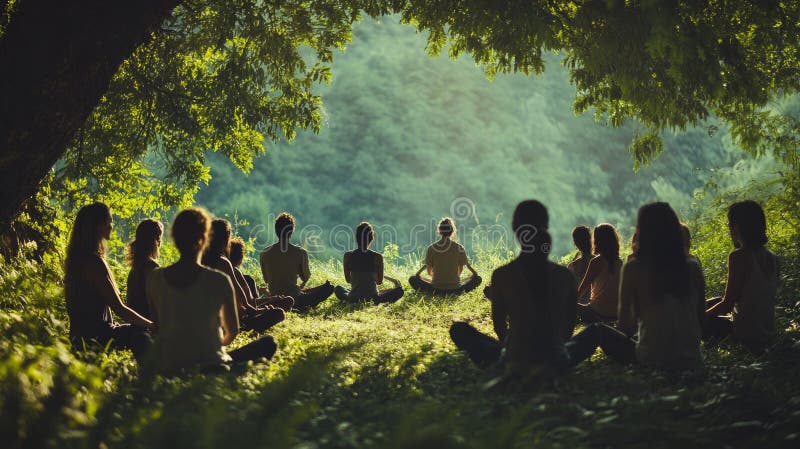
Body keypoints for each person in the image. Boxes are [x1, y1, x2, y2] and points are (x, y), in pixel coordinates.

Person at [449, 200, 598, 377]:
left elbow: (500, 328)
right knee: (596, 331)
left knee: (459, 330)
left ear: (515, 229)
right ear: (546, 228)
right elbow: (567, 330)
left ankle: (514, 362)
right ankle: (545, 365)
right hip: (556, 359)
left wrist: (514, 346)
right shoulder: (565, 276)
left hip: (516, 357)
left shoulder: (502, 275)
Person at [146, 207, 277, 375]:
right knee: (268, 343)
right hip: (209, 365)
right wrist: (213, 347)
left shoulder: (155, 278)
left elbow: (156, 328)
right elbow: (232, 331)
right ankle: (226, 369)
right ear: (204, 239)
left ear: (174, 237)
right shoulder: (219, 280)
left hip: (170, 366)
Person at [591, 202, 706, 372]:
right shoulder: (692, 267)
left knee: (597, 331)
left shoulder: (633, 268)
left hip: (650, 358)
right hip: (692, 360)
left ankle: (556, 360)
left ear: (642, 231)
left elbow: (624, 328)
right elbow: (701, 319)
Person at [64, 202, 152, 360]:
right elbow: (120, 309)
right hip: (97, 339)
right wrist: (153, 325)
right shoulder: (94, 263)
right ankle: (148, 380)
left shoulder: (77, 261)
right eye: (110, 221)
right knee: (144, 335)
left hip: (79, 338)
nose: (112, 225)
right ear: (99, 225)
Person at [704, 200, 778, 348]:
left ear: (736, 227)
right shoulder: (772, 257)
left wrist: (698, 318)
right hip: (767, 332)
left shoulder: (739, 256)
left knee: (702, 317)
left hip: (746, 335)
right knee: (714, 301)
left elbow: (727, 304)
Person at [202, 218, 287, 332]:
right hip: (229, 320)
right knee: (279, 313)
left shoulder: (200, 260)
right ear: (226, 238)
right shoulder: (223, 262)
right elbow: (239, 294)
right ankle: (245, 325)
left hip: (207, 319)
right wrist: (256, 310)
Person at [260, 212, 334, 310]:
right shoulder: (300, 252)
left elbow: (266, 280)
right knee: (328, 288)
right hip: (296, 299)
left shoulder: (264, 253)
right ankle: (300, 305)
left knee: (300, 292)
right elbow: (305, 277)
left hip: (274, 298)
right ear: (291, 231)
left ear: (276, 230)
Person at [334, 221, 404, 304]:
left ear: (357, 238)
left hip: (353, 297)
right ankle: (374, 298)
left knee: (338, 288)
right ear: (371, 238)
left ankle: (354, 297)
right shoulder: (377, 257)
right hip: (373, 299)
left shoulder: (348, 255)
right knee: (399, 291)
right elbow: (379, 282)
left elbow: (348, 280)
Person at [408, 217, 481, 295]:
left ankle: (431, 292)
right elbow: (461, 271)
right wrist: (464, 278)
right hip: (456, 289)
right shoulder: (459, 248)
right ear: (452, 231)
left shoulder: (431, 248)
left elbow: (429, 272)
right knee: (478, 279)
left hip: (435, 289)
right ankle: (459, 292)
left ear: (439, 231)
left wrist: (433, 280)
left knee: (412, 279)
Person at [229, 237, 294, 311]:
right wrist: (272, 299)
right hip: (247, 313)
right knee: (288, 301)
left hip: (232, 313)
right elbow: (252, 304)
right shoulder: (246, 279)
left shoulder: (220, 273)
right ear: (241, 259)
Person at [576, 224, 623, 323]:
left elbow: (582, 290)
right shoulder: (620, 262)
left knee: (567, 302)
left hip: (597, 312)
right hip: (617, 313)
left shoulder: (596, 262)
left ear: (597, 241)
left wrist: (570, 302)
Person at [125, 218, 163, 320]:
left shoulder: (135, 267)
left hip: (136, 325)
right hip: (149, 327)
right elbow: (159, 304)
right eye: (159, 238)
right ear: (156, 240)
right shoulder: (151, 266)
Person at [567, 225, 593, 304]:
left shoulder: (573, 266)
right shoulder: (601, 261)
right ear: (590, 239)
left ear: (576, 243)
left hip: (579, 307)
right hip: (596, 307)